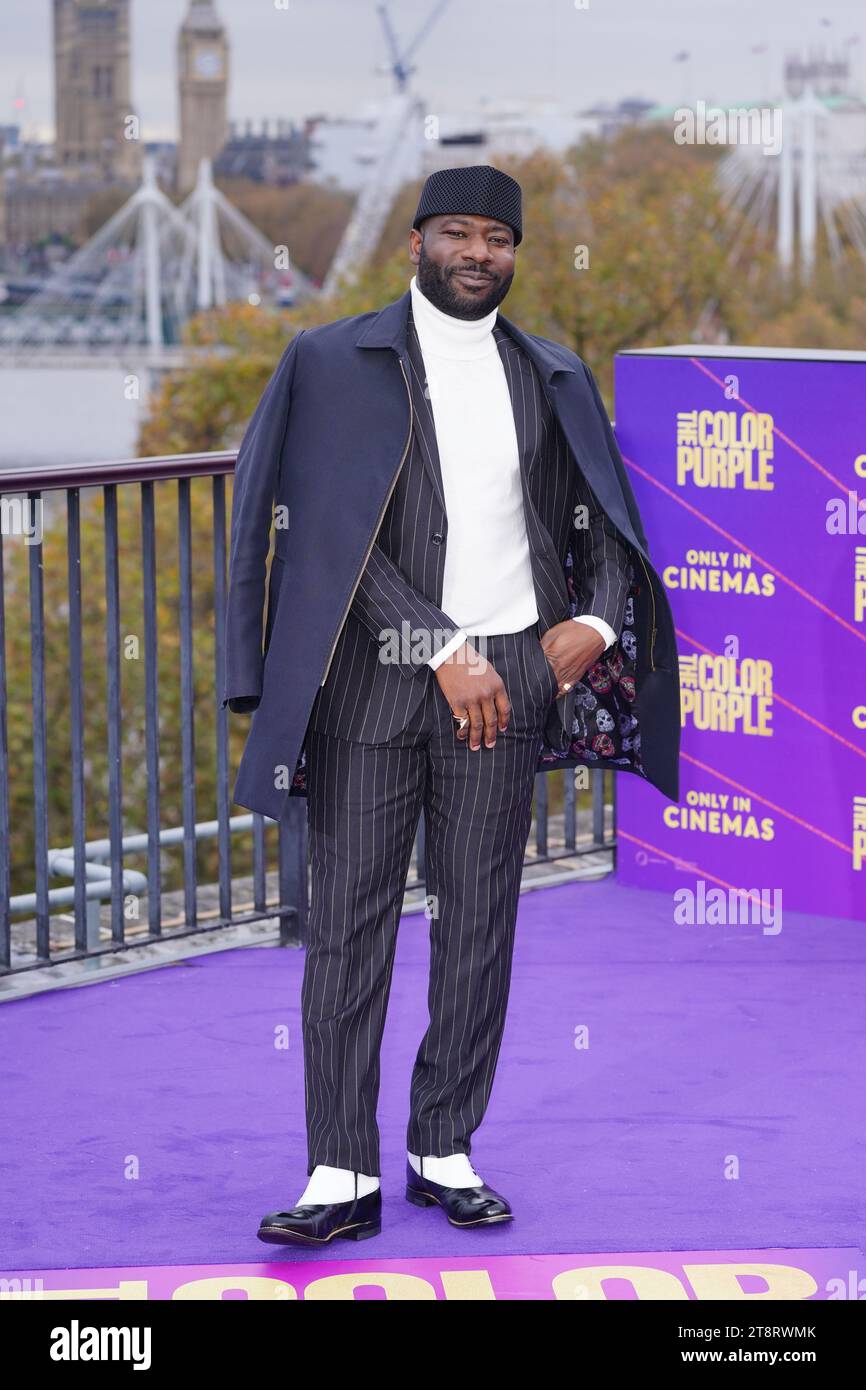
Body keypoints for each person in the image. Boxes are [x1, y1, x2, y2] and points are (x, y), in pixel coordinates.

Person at [223, 165, 680, 1245]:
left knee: (480, 925)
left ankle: (443, 1146)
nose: (478, 253)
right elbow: (323, 532)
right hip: (373, 690)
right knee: (347, 930)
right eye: (457, 233)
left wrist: (594, 630)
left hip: (514, 684)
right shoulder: (331, 360)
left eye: (498, 239)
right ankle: (340, 1170)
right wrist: (435, 645)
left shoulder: (552, 372)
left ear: (515, 253)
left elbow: (600, 523)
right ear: (416, 242)